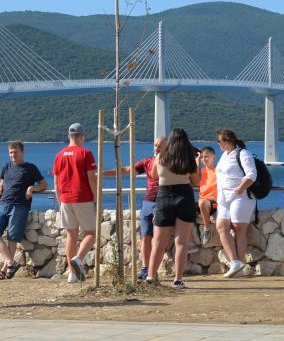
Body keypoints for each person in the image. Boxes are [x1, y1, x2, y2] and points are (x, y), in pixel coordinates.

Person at [101, 136, 165, 280]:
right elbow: (127, 169)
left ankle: (152, 272)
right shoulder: (147, 161)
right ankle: (145, 269)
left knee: (159, 239)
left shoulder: (170, 163)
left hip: (162, 202)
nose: (157, 148)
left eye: (161, 146)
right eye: (156, 145)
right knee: (145, 236)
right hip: (147, 202)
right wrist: (102, 174)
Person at [146, 128, 200, 289]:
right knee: (181, 242)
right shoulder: (188, 159)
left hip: (164, 197)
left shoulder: (161, 156)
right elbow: (196, 181)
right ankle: (177, 279)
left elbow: (153, 175)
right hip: (184, 197)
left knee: (158, 242)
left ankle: (151, 277)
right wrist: (198, 163)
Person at [0, 141, 47, 279]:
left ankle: (4, 270)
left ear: (22, 152)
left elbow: (44, 184)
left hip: (19, 206)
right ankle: (11, 262)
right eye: (10, 152)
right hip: (3, 204)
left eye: (15, 152)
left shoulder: (30, 168)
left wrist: (32, 188)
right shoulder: (7, 166)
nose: (12, 155)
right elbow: (3, 180)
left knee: (12, 239)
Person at [53, 122, 98, 283]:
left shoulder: (59, 155)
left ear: (69, 136)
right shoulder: (86, 153)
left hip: (65, 199)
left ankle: (72, 275)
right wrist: (96, 199)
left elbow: (56, 182)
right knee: (92, 233)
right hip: (82, 197)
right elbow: (92, 179)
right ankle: (78, 258)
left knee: (71, 235)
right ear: (82, 136)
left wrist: (60, 201)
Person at [214, 128, 256, 278]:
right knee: (221, 226)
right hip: (223, 198)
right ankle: (235, 262)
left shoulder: (243, 153)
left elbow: (252, 175)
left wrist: (239, 189)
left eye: (219, 141)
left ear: (228, 141)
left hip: (240, 196)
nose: (218, 144)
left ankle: (240, 263)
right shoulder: (224, 155)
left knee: (238, 228)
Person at [196, 146, 218, 245]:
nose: (204, 159)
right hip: (202, 202)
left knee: (203, 204)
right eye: (202, 157)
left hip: (214, 203)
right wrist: (197, 161)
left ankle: (207, 228)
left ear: (213, 156)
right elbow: (195, 180)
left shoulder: (218, 171)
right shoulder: (201, 171)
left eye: (206, 156)